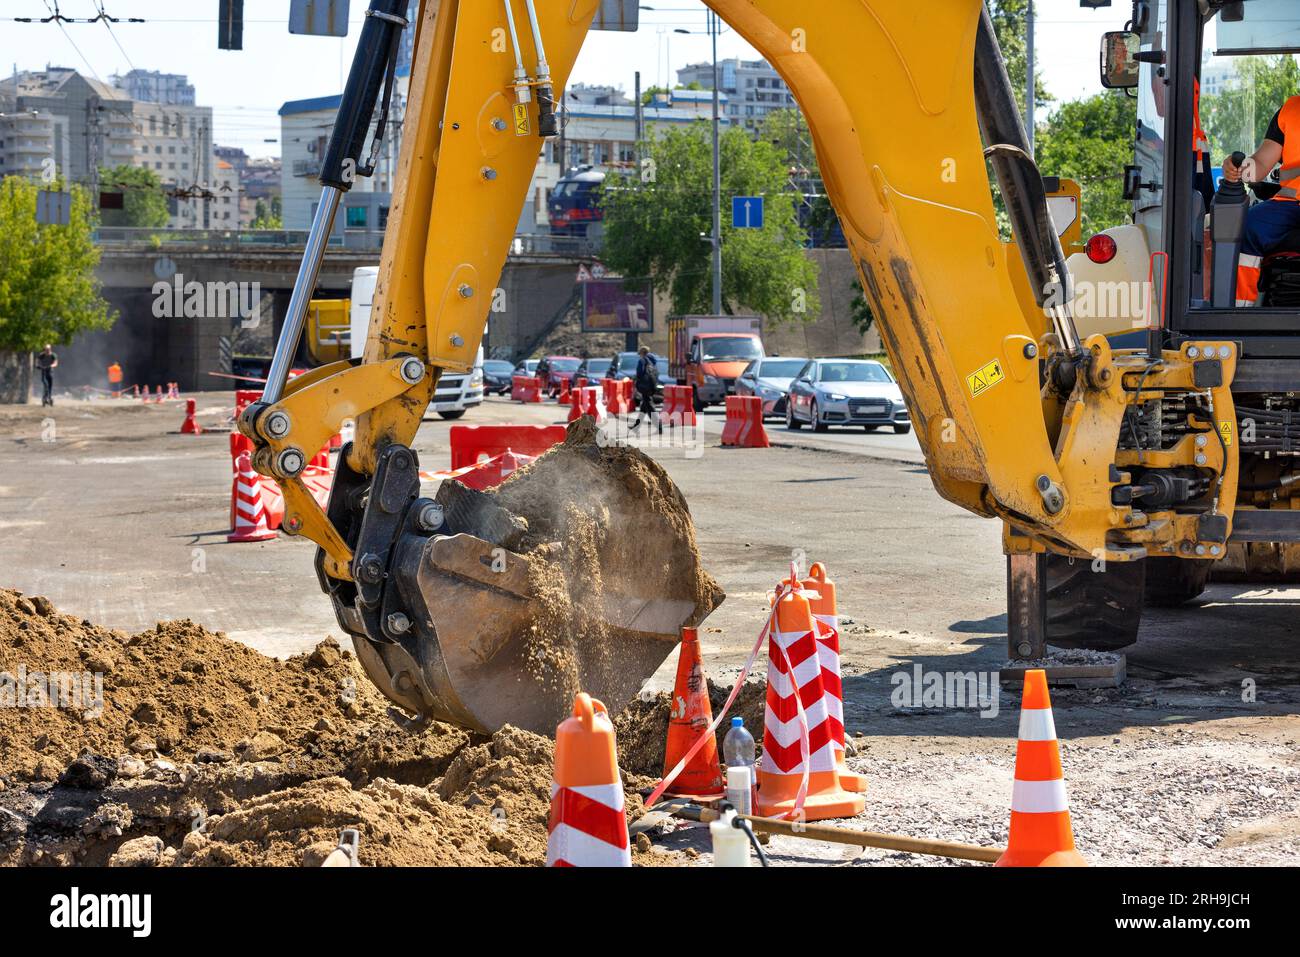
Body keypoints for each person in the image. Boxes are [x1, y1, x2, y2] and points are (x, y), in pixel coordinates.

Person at [1223, 94, 1300, 306]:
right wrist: (1238, 169)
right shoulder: (1290, 110)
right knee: (1245, 226)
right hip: (1291, 203)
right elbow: (1261, 163)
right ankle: (1238, 310)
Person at [627, 345, 660, 433]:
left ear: (642, 353)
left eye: (640, 354)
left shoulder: (642, 361)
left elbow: (639, 373)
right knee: (643, 408)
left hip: (645, 387)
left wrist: (635, 379)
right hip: (652, 386)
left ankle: (659, 427)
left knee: (650, 407)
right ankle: (636, 427)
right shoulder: (653, 361)